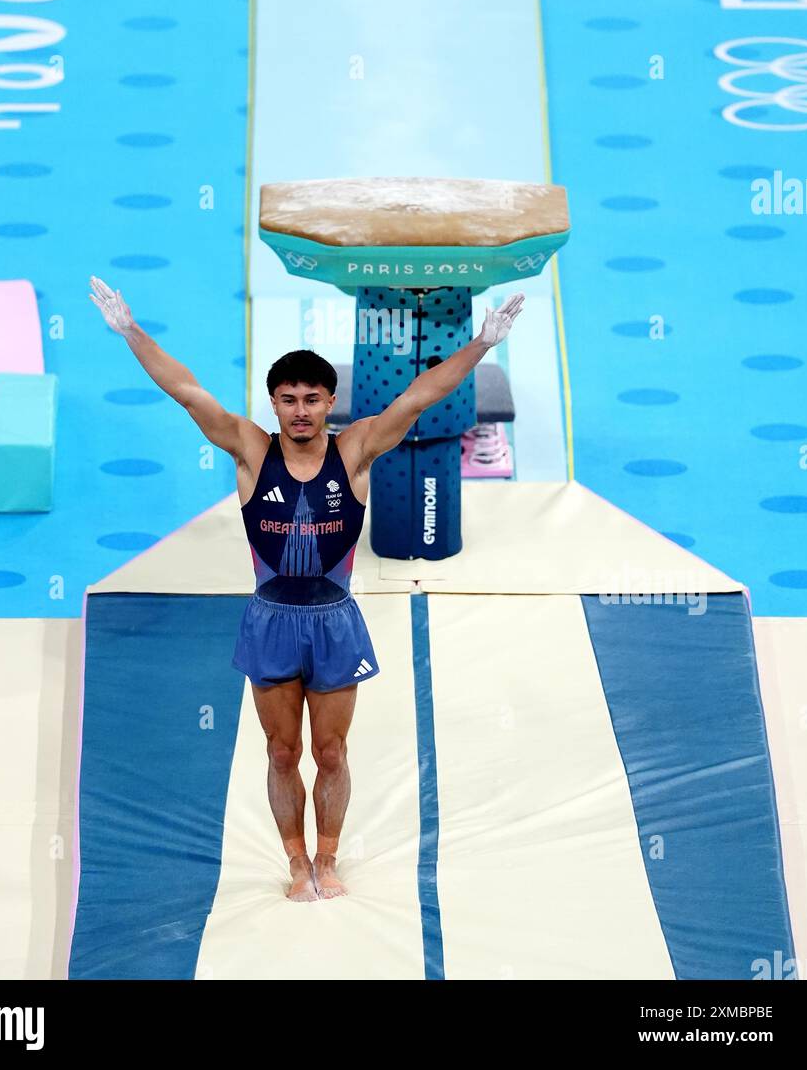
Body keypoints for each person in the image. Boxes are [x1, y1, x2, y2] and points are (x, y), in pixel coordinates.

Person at [89, 275, 524, 901]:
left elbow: (420, 396)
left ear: (329, 402)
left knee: (333, 749)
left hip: (334, 623)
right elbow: (185, 391)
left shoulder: (356, 451)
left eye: (312, 399)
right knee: (283, 750)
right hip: (269, 621)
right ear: (273, 403)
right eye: (289, 398)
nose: (300, 410)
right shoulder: (248, 449)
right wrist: (131, 331)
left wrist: (482, 342)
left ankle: (327, 859)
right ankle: (295, 862)